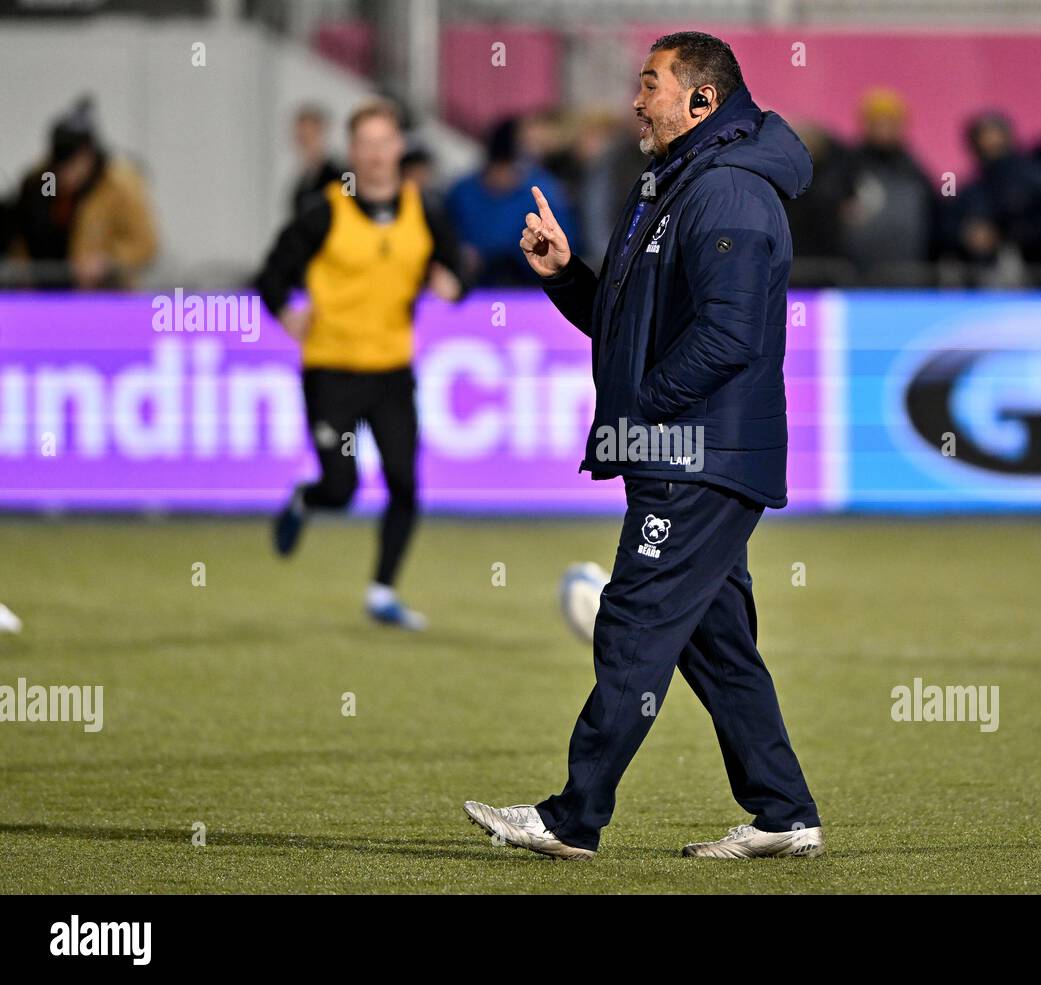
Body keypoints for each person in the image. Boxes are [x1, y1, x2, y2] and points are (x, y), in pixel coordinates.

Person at [464, 31, 824, 861]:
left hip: (698, 454)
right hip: (692, 449)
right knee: (715, 639)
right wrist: (565, 275)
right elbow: (631, 327)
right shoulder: (680, 182)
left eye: (651, 84)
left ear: (702, 100)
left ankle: (571, 818)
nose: (636, 100)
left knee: (633, 624)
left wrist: (646, 408)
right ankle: (784, 811)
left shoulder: (727, 191)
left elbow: (728, 337)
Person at [254, 97, 466, 630]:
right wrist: (286, 313)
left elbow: (459, 268)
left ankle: (382, 592)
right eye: (364, 144)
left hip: (392, 371)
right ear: (352, 151)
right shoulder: (327, 210)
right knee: (342, 487)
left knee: (404, 481)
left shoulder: (424, 209)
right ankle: (307, 499)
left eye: (384, 142)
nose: (375, 154)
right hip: (331, 370)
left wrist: (454, 285)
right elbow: (272, 273)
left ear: (398, 147)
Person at [6, 96, 157, 289]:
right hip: (43, 293)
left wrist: (108, 261)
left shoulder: (120, 184)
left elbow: (146, 243)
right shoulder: (41, 180)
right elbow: (24, 236)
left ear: (89, 157)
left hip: (104, 295)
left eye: (74, 164)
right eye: (61, 165)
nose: (67, 174)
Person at [946, 110, 1041, 288]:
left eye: (995, 135)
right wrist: (967, 236)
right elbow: (948, 224)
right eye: (983, 137)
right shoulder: (970, 188)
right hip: (987, 288)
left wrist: (1012, 234)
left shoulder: (1035, 177)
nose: (991, 142)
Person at [445, 116, 578, 287]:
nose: (502, 177)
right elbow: (446, 240)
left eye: (508, 169)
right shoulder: (462, 193)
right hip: (474, 287)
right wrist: (460, 255)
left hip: (534, 286)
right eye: (497, 169)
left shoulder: (543, 191)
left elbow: (567, 245)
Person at [838, 88, 937, 286]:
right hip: (854, 276)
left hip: (908, 274)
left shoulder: (914, 169)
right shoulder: (846, 165)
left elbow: (933, 215)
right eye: (877, 122)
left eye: (890, 122)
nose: (884, 129)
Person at [288, 104, 345, 219]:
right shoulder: (303, 182)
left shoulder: (345, 176)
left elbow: (353, 214)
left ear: (321, 134)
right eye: (301, 137)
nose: (304, 144)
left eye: (309, 136)